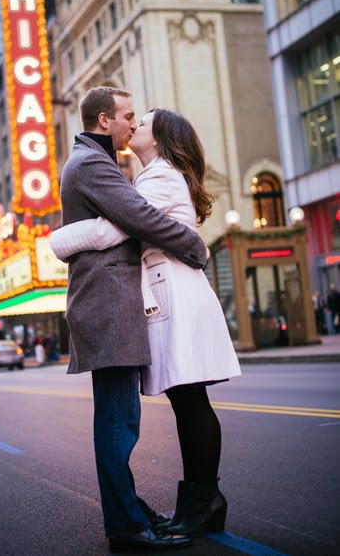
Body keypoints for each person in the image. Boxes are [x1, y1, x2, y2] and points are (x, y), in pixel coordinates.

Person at [52, 107, 242, 540]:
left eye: (145, 120)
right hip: (170, 287)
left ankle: (204, 500)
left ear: (158, 139)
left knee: (191, 400)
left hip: (173, 289)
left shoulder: (157, 177)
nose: (135, 124)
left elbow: (109, 232)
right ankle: (200, 501)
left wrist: (58, 239)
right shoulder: (153, 175)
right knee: (188, 400)